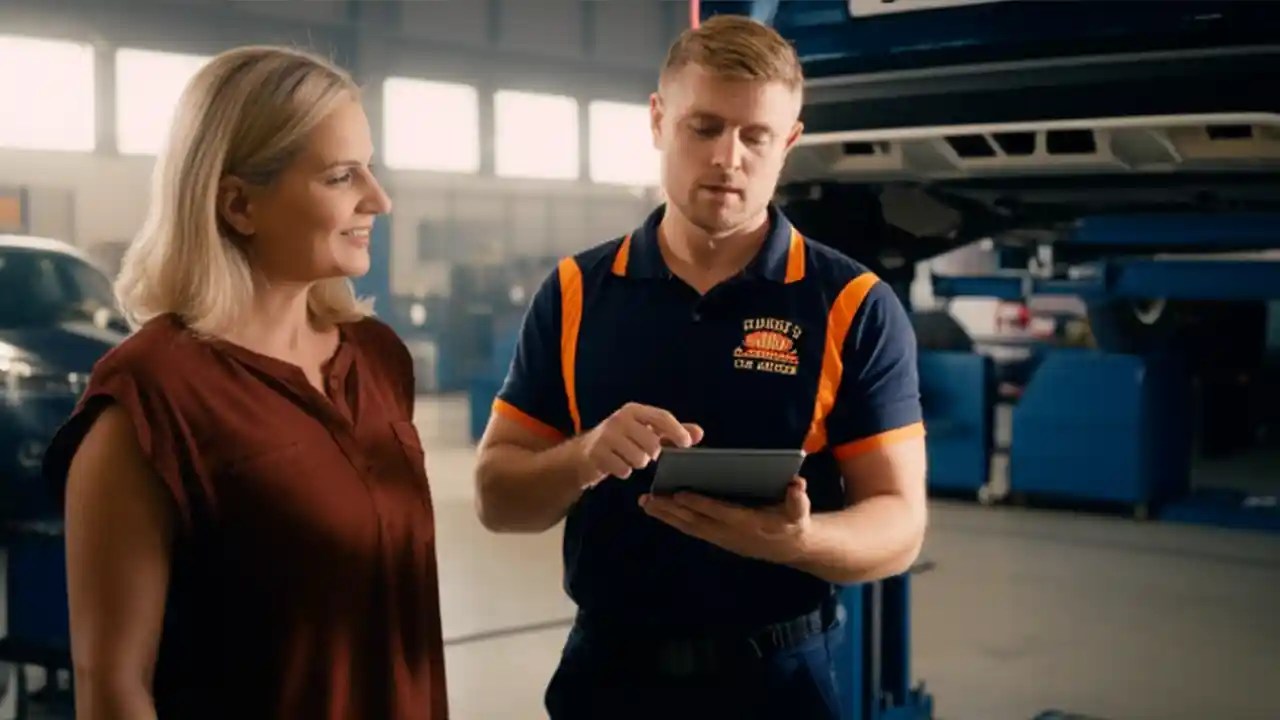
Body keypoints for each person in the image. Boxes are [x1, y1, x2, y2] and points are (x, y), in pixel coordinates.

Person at [473, 14, 928, 720]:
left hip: (778, 681)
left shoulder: (852, 305)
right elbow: (498, 500)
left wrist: (799, 541)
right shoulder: (573, 294)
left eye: (756, 136)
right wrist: (585, 455)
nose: (728, 158)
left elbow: (899, 524)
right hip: (608, 677)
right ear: (658, 120)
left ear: (791, 143)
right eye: (704, 127)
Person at [41, 46, 448, 719]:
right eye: (341, 176)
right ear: (238, 204)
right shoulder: (152, 397)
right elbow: (113, 690)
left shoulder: (378, 361)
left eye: (369, 170)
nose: (378, 199)